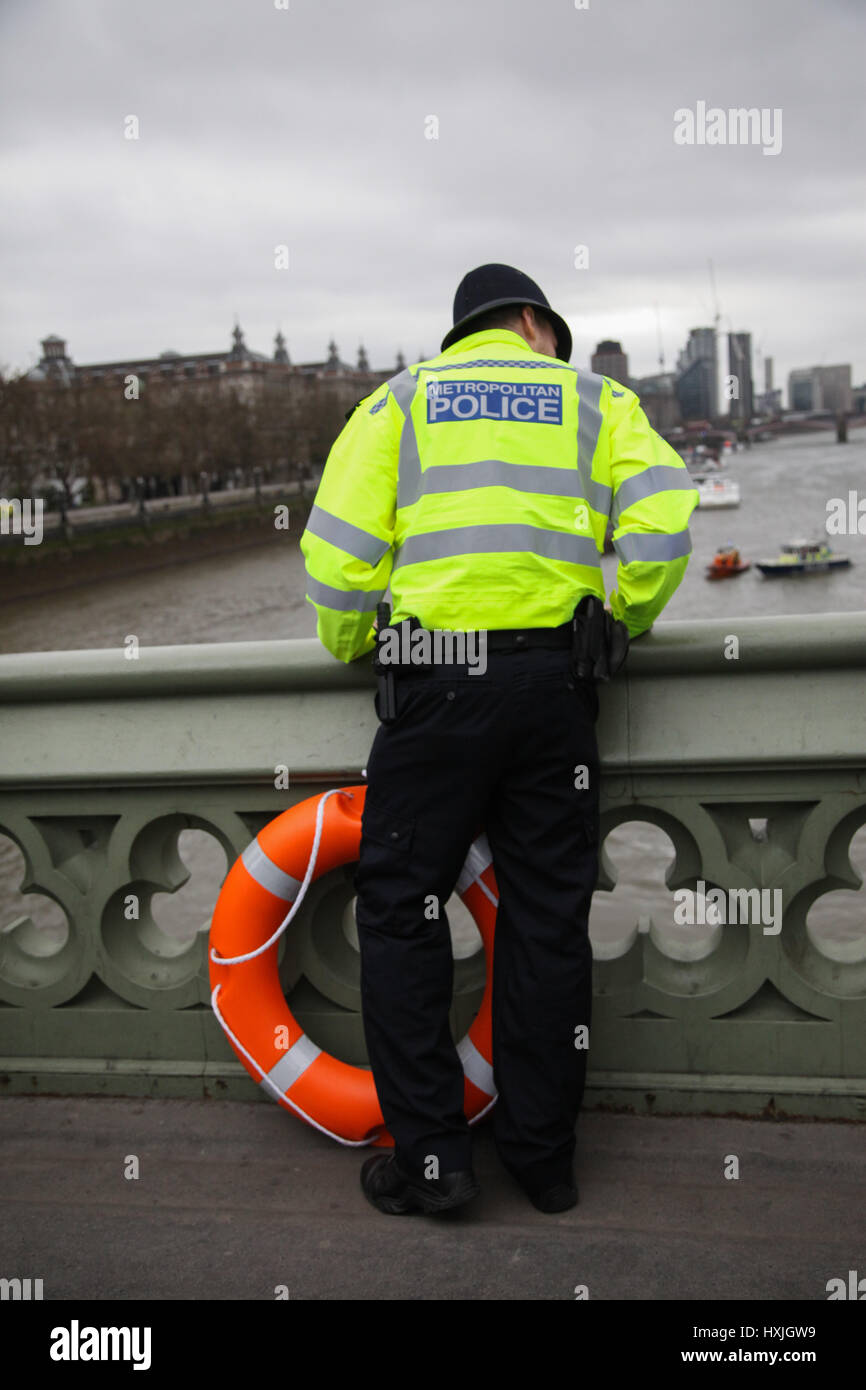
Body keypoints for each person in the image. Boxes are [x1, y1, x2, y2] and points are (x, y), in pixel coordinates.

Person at [300, 263, 698, 1216]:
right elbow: (665, 524)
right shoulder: (594, 399)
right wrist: (622, 616)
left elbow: (338, 553)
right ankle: (544, 1160)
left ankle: (434, 1162)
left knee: (400, 909)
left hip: (434, 681)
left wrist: (359, 639)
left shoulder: (397, 404)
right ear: (531, 322)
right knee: (547, 917)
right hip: (553, 687)